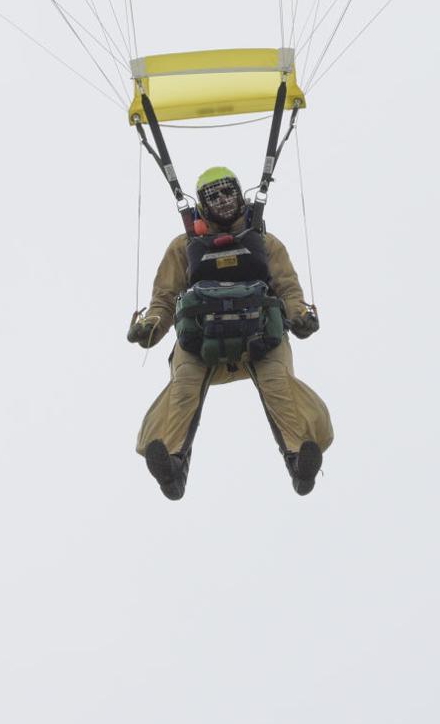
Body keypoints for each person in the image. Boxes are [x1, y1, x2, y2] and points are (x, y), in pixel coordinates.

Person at [129, 166, 332, 499]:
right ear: (203, 206)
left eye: (227, 192)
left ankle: (300, 460)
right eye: (213, 196)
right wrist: (149, 328)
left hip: (261, 336)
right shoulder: (184, 246)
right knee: (183, 388)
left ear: (240, 195)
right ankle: (170, 462)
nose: (222, 200)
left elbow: (288, 287)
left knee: (277, 384)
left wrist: (299, 317)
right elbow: (164, 297)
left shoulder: (267, 243)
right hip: (200, 339)